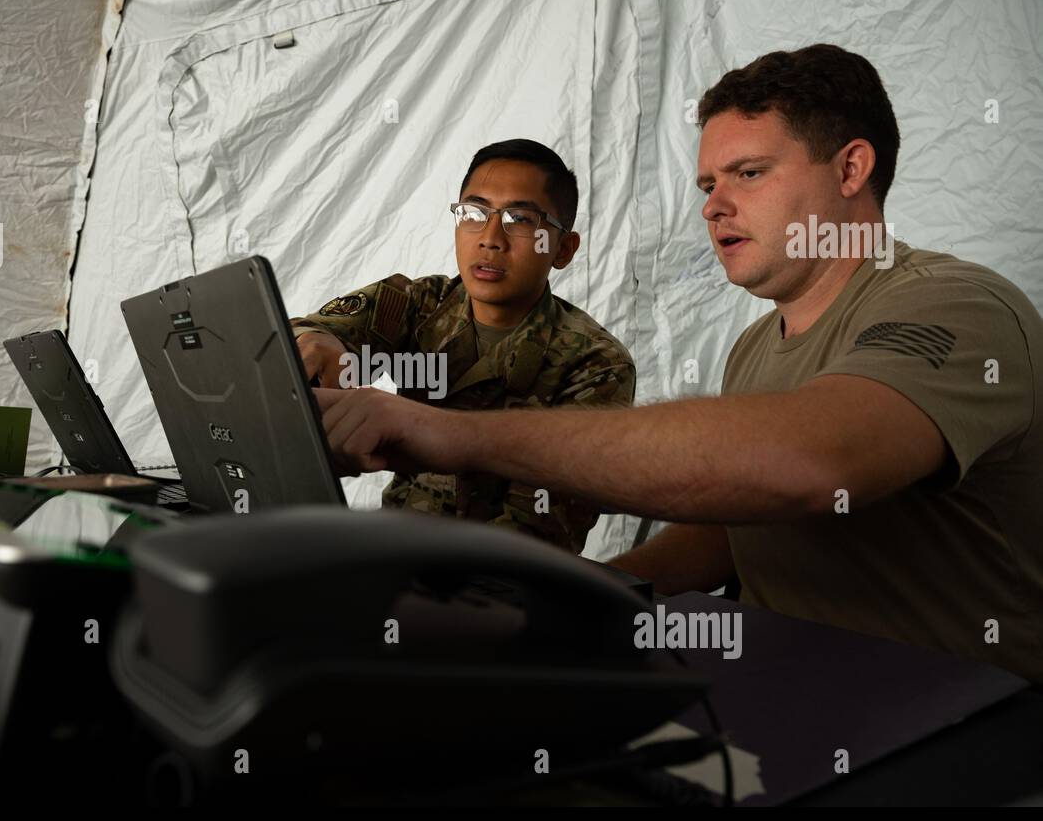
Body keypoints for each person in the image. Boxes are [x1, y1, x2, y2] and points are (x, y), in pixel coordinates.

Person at [315, 45, 1043, 683]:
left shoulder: (957, 306)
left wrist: (445, 432)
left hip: (955, 728)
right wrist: (586, 601)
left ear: (851, 168)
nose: (714, 207)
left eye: (748, 174)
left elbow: (811, 465)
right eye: (706, 186)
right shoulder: (756, 349)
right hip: (786, 696)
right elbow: (739, 531)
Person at [292, 139, 634, 554]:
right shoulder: (420, 305)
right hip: (389, 555)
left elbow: (537, 534)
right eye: (474, 213)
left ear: (563, 249)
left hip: (497, 592)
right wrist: (315, 340)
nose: (491, 238)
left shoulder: (595, 362)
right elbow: (303, 333)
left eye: (521, 219)